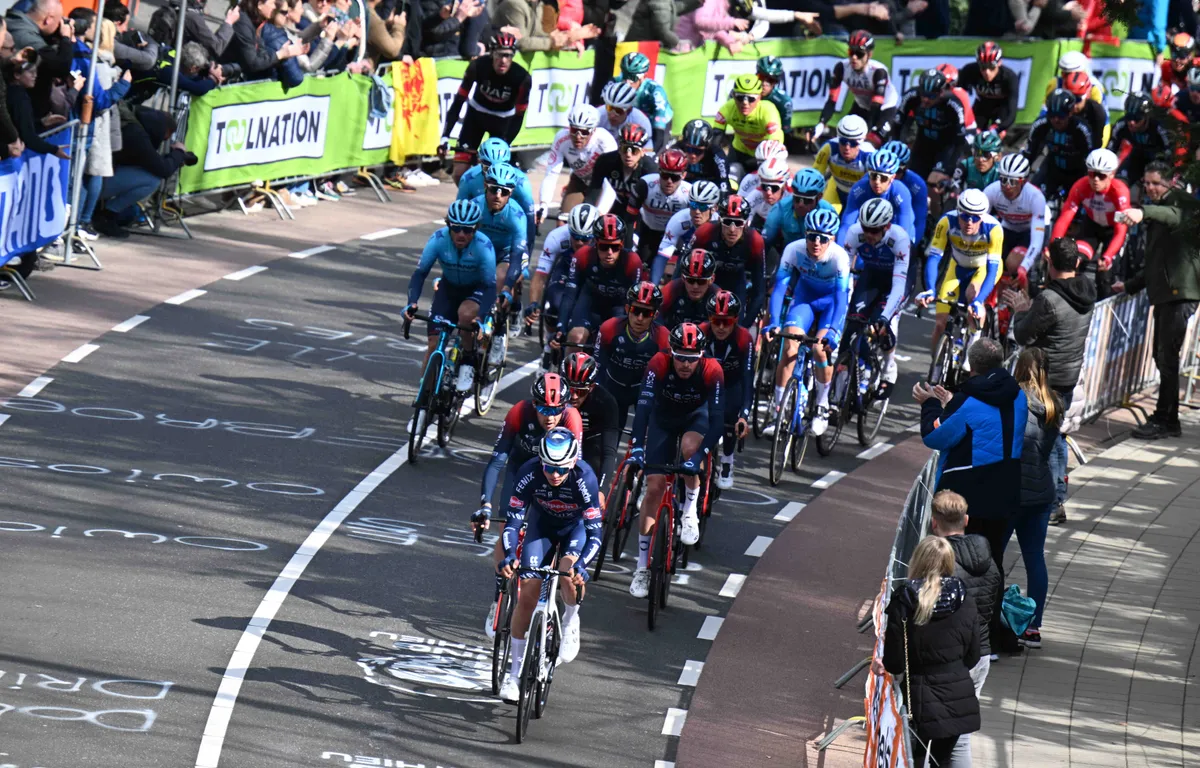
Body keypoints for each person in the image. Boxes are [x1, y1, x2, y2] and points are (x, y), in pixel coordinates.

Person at [496, 428, 601, 701]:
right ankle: (514, 675)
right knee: (528, 593)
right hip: (541, 527)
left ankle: (569, 620)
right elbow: (514, 521)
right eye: (549, 468)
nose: (555, 474)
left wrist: (581, 566)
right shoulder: (529, 473)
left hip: (574, 530)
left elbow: (595, 533)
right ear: (540, 462)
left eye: (561, 469)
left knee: (568, 574)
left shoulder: (585, 479)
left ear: (572, 464)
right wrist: (509, 553)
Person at [477, 374, 584, 635]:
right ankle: (499, 597)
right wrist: (485, 505)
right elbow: (497, 461)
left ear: (565, 407)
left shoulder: (572, 420)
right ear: (533, 404)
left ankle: (547, 600)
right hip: (521, 470)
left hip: (553, 476)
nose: (550, 416)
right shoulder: (519, 412)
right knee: (507, 529)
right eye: (543, 409)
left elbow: (576, 471)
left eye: (556, 410)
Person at [626, 322, 725, 596]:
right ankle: (642, 568)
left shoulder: (712, 370)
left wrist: (700, 458)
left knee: (692, 449)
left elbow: (717, 423)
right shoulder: (658, 363)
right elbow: (643, 409)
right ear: (671, 352)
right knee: (655, 487)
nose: (684, 364)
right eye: (679, 357)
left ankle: (690, 510)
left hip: (697, 418)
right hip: (663, 419)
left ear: (701, 356)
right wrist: (636, 447)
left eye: (691, 359)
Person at [1008, 237, 1095, 525]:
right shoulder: (1087, 291)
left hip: (1044, 381)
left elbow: (1023, 335)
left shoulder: (1050, 299)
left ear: (1050, 263)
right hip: (1069, 378)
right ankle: (1057, 500)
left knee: (1039, 445)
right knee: (1056, 437)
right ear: (1078, 263)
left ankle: (1046, 502)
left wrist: (1021, 309)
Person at [915, 338, 1027, 557]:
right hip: (1008, 488)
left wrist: (930, 405)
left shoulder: (968, 400)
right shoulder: (1018, 396)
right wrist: (953, 403)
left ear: (972, 366)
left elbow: (935, 436)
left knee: (957, 560)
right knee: (993, 562)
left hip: (969, 492)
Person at [1114, 162, 1200, 440]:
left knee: (1167, 356)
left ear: (1171, 182)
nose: (1150, 188)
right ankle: (1166, 416)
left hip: (1181, 292)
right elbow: (1154, 262)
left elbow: (1174, 216)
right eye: (1147, 183)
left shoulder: (1181, 202)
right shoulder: (1159, 209)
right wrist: (1129, 285)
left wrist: (1142, 211)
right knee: (1161, 356)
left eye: (1156, 183)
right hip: (1165, 293)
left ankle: (1166, 419)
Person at [882, 537, 981, 767]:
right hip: (958, 694)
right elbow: (973, 655)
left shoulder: (904, 599)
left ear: (917, 561)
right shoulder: (965, 599)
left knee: (912, 758)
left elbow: (894, 663)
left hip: (919, 696)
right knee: (942, 759)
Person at [929, 488, 1000, 768]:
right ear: (966, 519)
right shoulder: (989, 561)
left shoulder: (937, 563)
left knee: (931, 735)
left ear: (934, 523)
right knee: (960, 735)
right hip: (979, 654)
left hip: (947, 659)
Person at [766, 208, 850, 437]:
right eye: (812, 236)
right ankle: (778, 412)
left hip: (832, 303)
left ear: (831, 238)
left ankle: (822, 407)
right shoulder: (793, 250)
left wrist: (833, 330)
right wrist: (774, 322)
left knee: (819, 350)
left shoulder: (839, 257)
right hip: (805, 298)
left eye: (823, 238)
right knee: (789, 347)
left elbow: (842, 299)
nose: (816, 242)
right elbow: (780, 288)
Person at [1002, 348, 1062, 650]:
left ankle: (991, 623)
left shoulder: (1010, 398)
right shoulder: (1054, 405)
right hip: (1040, 491)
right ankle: (1033, 627)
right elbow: (1047, 449)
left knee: (992, 559)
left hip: (1011, 490)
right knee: (1035, 559)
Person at [404, 200, 497, 388]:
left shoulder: (484, 246)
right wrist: (412, 303)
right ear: (449, 225)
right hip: (449, 288)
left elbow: (490, 286)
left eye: (468, 230)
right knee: (433, 343)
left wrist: (480, 317)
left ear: (476, 229)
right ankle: (425, 398)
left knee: (465, 315)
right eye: (456, 228)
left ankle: (469, 359)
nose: (461, 234)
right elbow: (420, 273)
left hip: (476, 289)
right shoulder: (438, 239)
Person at [916, 189, 1003, 356]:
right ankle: (934, 370)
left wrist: (979, 300)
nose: (969, 222)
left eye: (975, 217)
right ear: (958, 212)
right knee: (940, 324)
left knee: (973, 295)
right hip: (957, 267)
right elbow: (934, 258)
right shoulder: (946, 222)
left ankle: (973, 343)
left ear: (982, 216)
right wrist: (930, 289)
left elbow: (992, 269)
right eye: (965, 216)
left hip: (983, 268)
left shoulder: (994, 229)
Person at [439, 33, 530, 182]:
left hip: (502, 122)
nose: (503, 60)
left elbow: (519, 115)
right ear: (492, 54)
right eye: (499, 55)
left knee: (493, 175)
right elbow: (459, 101)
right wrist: (445, 136)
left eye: (508, 55)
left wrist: (506, 143)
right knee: (459, 174)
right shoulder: (478, 66)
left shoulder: (522, 78)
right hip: (476, 117)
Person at [97, 105, 197, 238]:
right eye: (165, 137)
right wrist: (178, 153)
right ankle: (106, 216)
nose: (164, 140)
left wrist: (173, 157)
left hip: (98, 177)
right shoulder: (138, 136)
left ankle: (103, 213)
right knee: (151, 180)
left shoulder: (135, 126)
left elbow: (149, 160)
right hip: (95, 182)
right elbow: (163, 169)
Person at [844, 198, 909, 399]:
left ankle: (889, 366)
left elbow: (899, 286)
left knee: (881, 324)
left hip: (896, 280)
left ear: (886, 226)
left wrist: (885, 316)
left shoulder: (899, 239)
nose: (869, 234)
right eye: (866, 229)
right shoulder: (855, 233)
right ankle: (864, 362)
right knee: (854, 320)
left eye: (874, 230)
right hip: (871, 276)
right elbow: (843, 273)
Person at [1049, 148, 1129, 299]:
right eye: (1092, 174)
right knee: (1074, 260)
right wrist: (1054, 247)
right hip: (1091, 227)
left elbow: (1120, 230)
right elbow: (1065, 217)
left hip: (1113, 231)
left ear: (1112, 175)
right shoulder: (1081, 186)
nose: (1095, 179)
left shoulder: (1120, 192)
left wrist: (1108, 256)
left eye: (1101, 175)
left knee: (1104, 275)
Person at [555, 214, 643, 351]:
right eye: (603, 247)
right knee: (575, 338)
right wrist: (561, 327)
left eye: (615, 247)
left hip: (618, 306)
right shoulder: (583, 255)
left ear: (622, 244)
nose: (609, 253)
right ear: (595, 243)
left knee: (617, 343)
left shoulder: (632, 262)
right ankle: (568, 371)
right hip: (590, 304)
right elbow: (570, 294)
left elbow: (635, 303)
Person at [594, 281, 671, 434]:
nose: (640, 318)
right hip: (613, 388)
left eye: (646, 313)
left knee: (648, 435)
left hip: (643, 391)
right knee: (607, 439)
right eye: (636, 311)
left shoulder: (663, 338)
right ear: (627, 309)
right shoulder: (609, 329)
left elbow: (665, 379)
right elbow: (598, 368)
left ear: (655, 315)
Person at [688, 194, 767, 328]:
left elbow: (759, 291)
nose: (732, 229)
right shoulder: (704, 233)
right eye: (727, 222)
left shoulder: (755, 241)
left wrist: (744, 327)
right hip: (705, 286)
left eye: (738, 223)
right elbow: (681, 271)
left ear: (746, 223)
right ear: (719, 220)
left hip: (736, 286)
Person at [702, 291, 753, 489]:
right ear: (709, 319)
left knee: (731, 416)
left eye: (727, 322)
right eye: (716, 321)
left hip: (732, 385)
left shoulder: (744, 339)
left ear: (736, 320)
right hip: (705, 384)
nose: (721, 327)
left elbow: (748, 380)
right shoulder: (701, 333)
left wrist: (744, 416)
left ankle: (727, 460)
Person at [814, 30, 898, 141]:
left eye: (859, 54)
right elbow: (831, 101)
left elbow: (875, 108)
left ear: (869, 54)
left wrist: (868, 132)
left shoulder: (878, 72)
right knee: (845, 136)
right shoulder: (841, 68)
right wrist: (820, 124)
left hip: (885, 108)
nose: (854, 57)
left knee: (873, 140)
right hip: (862, 106)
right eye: (851, 52)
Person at [528, 203, 598, 336]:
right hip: (566, 269)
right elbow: (540, 275)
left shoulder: (602, 241)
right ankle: (549, 349)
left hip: (591, 272)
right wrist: (533, 303)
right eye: (575, 237)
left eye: (585, 239)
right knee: (555, 305)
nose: (579, 242)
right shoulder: (557, 237)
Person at [456, 137, 537, 252]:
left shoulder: (521, 182)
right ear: (480, 162)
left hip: (507, 239)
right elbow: (459, 215)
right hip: (479, 239)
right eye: (487, 167)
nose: (493, 173)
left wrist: (526, 255)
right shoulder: (469, 179)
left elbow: (529, 220)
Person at [539, 104, 617, 217]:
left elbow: (610, 184)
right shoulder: (561, 138)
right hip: (580, 180)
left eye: (584, 132)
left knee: (597, 227)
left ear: (593, 130)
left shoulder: (605, 142)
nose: (578, 136)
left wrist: (601, 211)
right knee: (564, 220)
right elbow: (552, 173)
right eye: (574, 130)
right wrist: (544, 204)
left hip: (602, 184)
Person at [560, 352, 620, 492]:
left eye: (581, 392)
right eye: (570, 390)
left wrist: (601, 491)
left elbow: (609, 452)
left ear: (591, 388)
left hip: (591, 446)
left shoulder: (606, 402)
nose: (574, 396)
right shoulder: (554, 393)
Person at [471, 163, 528, 308]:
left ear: (511, 192)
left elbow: (517, 255)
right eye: (494, 189)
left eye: (504, 192)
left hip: (508, 252)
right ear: (485, 185)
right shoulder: (474, 206)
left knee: (500, 277)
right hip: (482, 251)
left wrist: (508, 287)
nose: (498, 196)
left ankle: (511, 310)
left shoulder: (517, 215)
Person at [589, 122, 660, 235]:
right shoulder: (605, 161)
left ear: (642, 152)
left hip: (642, 213)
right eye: (625, 149)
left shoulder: (650, 170)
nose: (628, 154)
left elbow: (654, 205)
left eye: (634, 150)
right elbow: (593, 193)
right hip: (619, 206)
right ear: (619, 149)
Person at [1024, 89, 1095, 201]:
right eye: (1052, 115)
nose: (1056, 120)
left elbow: (1091, 160)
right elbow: (1029, 153)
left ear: (1071, 113)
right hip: (1053, 168)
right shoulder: (1040, 125)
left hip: (1077, 172)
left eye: (1061, 116)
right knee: (1032, 196)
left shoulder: (1082, 130)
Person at [836, 148, 915, 246]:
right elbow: (846, 225)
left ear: (892, 177)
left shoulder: (901, 191)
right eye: (873, 176)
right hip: (871, 230)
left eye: (883, 178)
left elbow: (903, 229)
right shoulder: (859, 188)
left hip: (895, 228)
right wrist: (841, 249)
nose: (877, 182)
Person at [984, 153, 1048, 269]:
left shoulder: (1035, 197)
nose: (1007, 186)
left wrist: (1025, 267)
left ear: (1023, 181)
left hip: (1029, 231)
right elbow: (979, 224)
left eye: (1013, 181)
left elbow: (1036, 241)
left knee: (1014, 264)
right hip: (1008, 228)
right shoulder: (991, 191)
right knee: (991, 261)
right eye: (1003, 180)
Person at [628, 148, 692, 264]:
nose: (669, 181)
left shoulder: (689, 192)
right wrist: (628, 247)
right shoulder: (645, 185)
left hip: (676, 236)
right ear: (659, 172)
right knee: (642, 265)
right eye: (665, 175)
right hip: (648, 231)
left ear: (684, 175)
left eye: (675, 177)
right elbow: (629, 218)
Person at [711, 74, 783, 174]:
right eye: (740, 97)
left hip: (763, 157)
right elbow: (715, 142)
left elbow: (775, 143)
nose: (745, 103)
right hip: (738, 153)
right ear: (734, 96)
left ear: (759, 97)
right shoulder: (727, 109)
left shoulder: (768, 111)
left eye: (751, 98)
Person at [761, 169, 836, 260]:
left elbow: (835, 248)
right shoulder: (780, 208)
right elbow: (765, 242)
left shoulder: (828, 212)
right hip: (789, 258)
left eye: (807, 200)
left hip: (819, 260)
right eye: (797, 198)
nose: (800, 204)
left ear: (819, 197)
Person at [655, 180, 720, 283]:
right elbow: (662, 256)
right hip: (688, 258)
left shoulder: (720, 225)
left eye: (702, 207)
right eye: (693, 205)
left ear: (714, 208)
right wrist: (654, 284)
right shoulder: (679, 219)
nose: (697, 212)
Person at [611, 52, 672, 152]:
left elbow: (658, 137)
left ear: (644, 77)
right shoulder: (614, 83)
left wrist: (651, 154)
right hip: (632, 118)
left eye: (633, 78)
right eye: (625, 76)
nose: (628, 82)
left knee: (654, 155)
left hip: (655, 121)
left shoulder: (656, 92)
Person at [1109, 92, 1173, 188]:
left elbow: (1171, 153)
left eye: (1137, 118)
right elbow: (1110, 151)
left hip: (1159, 158)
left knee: (1153, 185)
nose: (1131, 122)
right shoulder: (1121, 125)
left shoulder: (1160, 127)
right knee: (1118, 184)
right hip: (1138, 156)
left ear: (1147, 117)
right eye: (1129, 117)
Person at [813, 113, 874, 210]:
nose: (847, 147)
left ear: (861, 142)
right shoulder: (829, 148)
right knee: (825, 218)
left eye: (853, 143)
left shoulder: (869, 156)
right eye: (843, 141)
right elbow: (814, 176)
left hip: (860, 195)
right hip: (836, 189)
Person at [958, 41, 1019, 137]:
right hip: (981, 107)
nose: (987, 72)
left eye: (991, 67)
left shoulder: (1009, 77)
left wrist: (998, 129)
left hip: (1001, 109)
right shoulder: (969, 71)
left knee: (995, 138)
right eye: (983, 67)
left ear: (999, 63)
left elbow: (1012, 112)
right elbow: (958, 97)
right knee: (973, 137)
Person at [149, 0, 239, 59]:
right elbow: (216, 47)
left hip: (161, 57)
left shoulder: (173, 7)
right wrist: (229, 22)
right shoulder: (192, 17)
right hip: (180, 67)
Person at [659, 248, 720, 328]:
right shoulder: (671, 289)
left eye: (701, 282)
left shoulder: (717, 296)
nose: (695, 286)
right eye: (690, 280)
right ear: (683, 278)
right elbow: (654, 317)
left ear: (711, 280)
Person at [676, 118, 729, 192]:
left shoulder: (717, 154)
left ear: (707, 148)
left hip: (710, 188)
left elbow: (724, 185)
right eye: (689, 149)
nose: (693, 155)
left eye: (698, 151)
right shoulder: (677, 149)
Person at [597, 79, 653, 143]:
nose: (612, 115)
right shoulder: (598, 115)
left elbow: (647, 150)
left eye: (618, 111)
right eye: (609, 108)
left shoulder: (641, 122)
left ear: (629, 110)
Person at [757, 55, 792, 135]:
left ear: (776, 82)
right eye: (761, 77)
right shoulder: (746, 91)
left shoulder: (784, 102)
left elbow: (785, 133)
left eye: (770, 80)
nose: (764, 84)